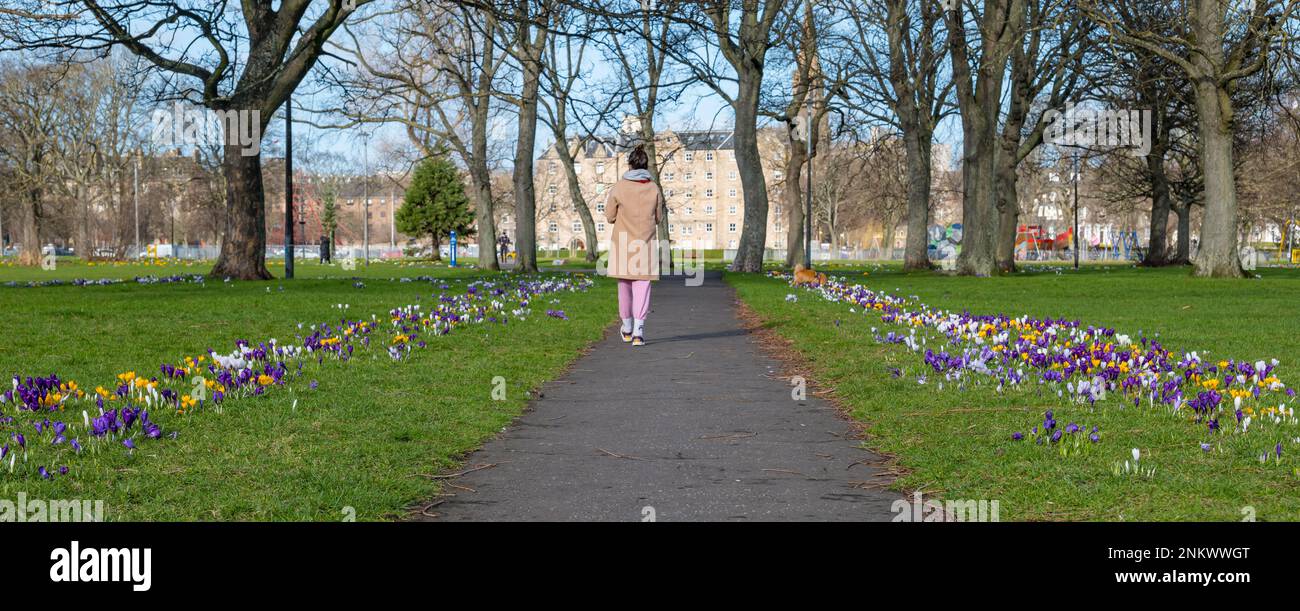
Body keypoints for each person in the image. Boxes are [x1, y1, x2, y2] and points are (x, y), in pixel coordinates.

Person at [604, 144, 664, 347]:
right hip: (645, 243)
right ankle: (639, 332)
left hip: (623, 243)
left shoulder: (619, 186)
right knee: (642, 286)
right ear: (646, 166)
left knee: (624, 286)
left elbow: (610, 216)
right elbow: (658, 217)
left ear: (630, 165)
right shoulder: (654, 187)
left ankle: (627, 327)